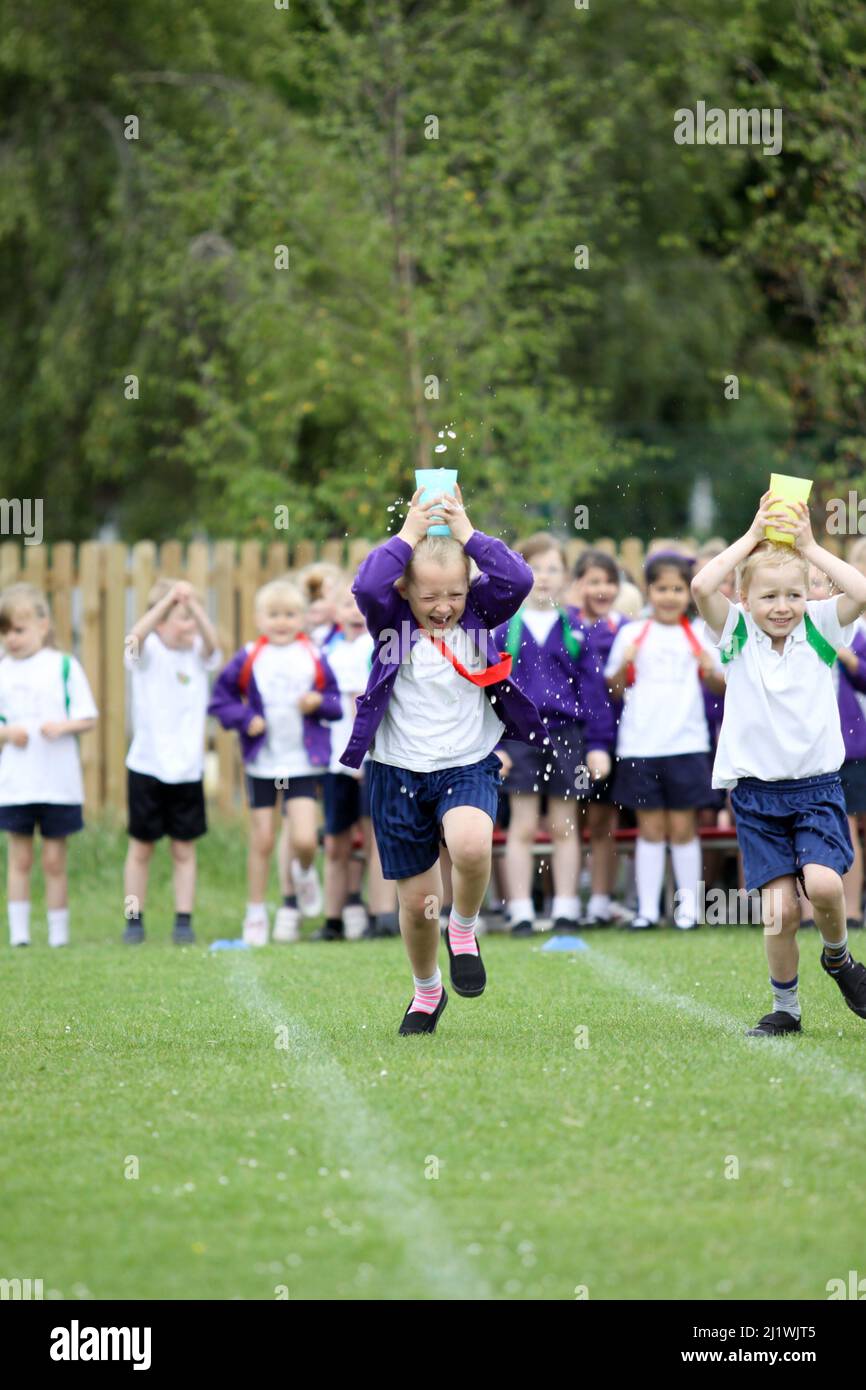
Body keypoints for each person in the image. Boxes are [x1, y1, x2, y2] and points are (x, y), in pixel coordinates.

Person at [340, 485, 548, 1034]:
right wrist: (410, 531)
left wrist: (465, 530)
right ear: (404, 590)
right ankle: (427, 991)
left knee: (472, 844)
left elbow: (519, 579)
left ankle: (466, 926)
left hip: (466, 761)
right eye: (430, 597)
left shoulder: (478, 613)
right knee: (417, 904)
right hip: (397, 769)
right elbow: (366, 582)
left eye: (454, 594)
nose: (443, 607)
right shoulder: (390, 619)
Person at [691, 491, 866, 1036]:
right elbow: (701, 586)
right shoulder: (736, 634)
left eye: (793, 594)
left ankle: (838, 957)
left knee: (826, 886)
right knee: (780, 913)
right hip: (756, 795)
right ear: (743, 597)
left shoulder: (820, 627)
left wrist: (810, 546)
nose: (783, 606)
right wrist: (752, 535)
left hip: (815, 788)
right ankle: (784, 1009)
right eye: (768, 596)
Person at [208, 578, 342, 945]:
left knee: (303, 838)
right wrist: (244, 719)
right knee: (263, 839)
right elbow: (220, 701)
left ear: (301, 618)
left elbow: (334, 703)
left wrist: (317, 703)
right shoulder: (250, 656)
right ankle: (254, 914)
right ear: (258, 618)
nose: (282, 622)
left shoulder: (314, 655)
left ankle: (302, 873)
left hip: (301, 762)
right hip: (262, 764)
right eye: (274, 615)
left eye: (290, 614)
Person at [493, 534, 610, 935]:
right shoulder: (502, 629)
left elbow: (594, 695)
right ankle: (521, 909)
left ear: (566, 577)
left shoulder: (575, 629)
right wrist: (494, 746)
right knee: (522, 826)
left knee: (565, 826)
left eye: (552, 568)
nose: (543, 577)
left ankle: (564, 907)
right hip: (519, 739)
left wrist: (597, 746)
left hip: (566, 736)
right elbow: (488, 693)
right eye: (534, 568)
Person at [605, 552, 725, 929]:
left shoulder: (700, 633)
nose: (670, 597)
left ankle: (688, 911)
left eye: (677, 589)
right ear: (648, 591)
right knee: (651, 829)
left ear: (689, 594)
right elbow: (613, 690)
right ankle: (647, 910)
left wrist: (709, 669)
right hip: (640, 747)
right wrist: (625, 664)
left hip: (687, 745)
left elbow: (721, 684)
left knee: (684, 829)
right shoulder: (631, 634)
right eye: (661, 589)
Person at [123, 579, 221, 945]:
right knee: (141, 848)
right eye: (180, 619)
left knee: (183, 848)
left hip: (186, 769)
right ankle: (134, 918)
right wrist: (166, 602)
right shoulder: (146, 654)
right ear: (161, 621)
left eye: (191, 619)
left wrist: (192, 605)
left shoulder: (198, 653)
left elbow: (214, 645)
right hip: (146, 766)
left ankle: (183, 920)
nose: (190, 626)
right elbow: (135, 636)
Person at [0, 583, 98, 947]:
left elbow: (88, 717)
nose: (12, 639)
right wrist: (8, 734)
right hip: (16, 785)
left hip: (58, 784)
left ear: (43, 625)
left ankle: (59, 936)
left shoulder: (64, 667)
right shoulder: (2, 671)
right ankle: (20, 935)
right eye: (5, 631)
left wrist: (62, 726)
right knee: (19, 858)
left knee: (55, 860)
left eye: (19, 630)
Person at [316, 583, 397, 940]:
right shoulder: (323, 650)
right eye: (344, 604)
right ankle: (332, 919)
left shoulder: (379, 643)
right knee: (336, 841)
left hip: (371, 757)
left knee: (375, 836)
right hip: (335, 759)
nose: (352, 611)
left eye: (357, 604)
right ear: (333, 610)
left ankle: (382, 915)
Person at [570, 548, 631, 926]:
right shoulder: (566, 626)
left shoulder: (625, 628)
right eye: (594, 581)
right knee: (569, 822)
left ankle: (602, 899)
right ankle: (568, 898)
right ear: (579, 585)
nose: (602, 589)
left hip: (613, 738)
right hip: (571, 735)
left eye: (609, 581)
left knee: (604, 822)